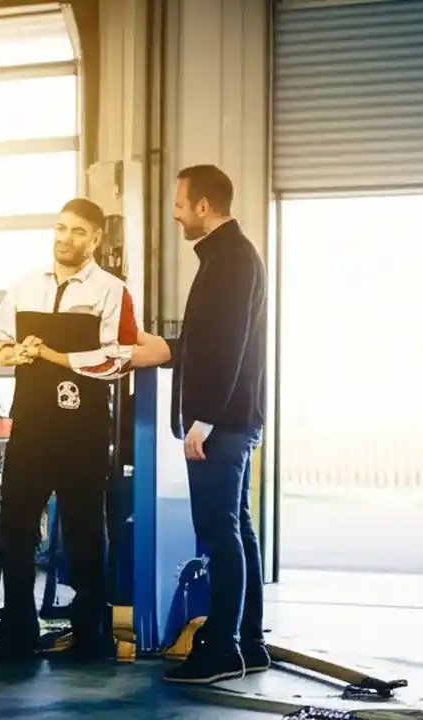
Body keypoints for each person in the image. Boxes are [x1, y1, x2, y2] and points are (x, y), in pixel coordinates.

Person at [0, 198, 169, 663]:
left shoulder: (112, 291)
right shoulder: (24, 286)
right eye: (60, 228)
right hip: (31, 424)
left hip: (83, 428)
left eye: (78, 231)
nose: (65, 238)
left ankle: (91, 636)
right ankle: (16, 633)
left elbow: (114, 359)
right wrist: (14, 353)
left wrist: (51, 356)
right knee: (17, 529)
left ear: (96, 239)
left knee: (86, 533)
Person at [162, 165, 269, 684]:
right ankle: (248, 639)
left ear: (204, 206)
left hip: (221, 422)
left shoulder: (229, 259)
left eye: (180, 202)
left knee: (218, 531)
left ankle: (224, 649)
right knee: (237, 528)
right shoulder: (230, 255)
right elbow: (211, 342)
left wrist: (202, 419)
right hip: (231, 417)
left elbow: (227, 346)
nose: (176, 211)